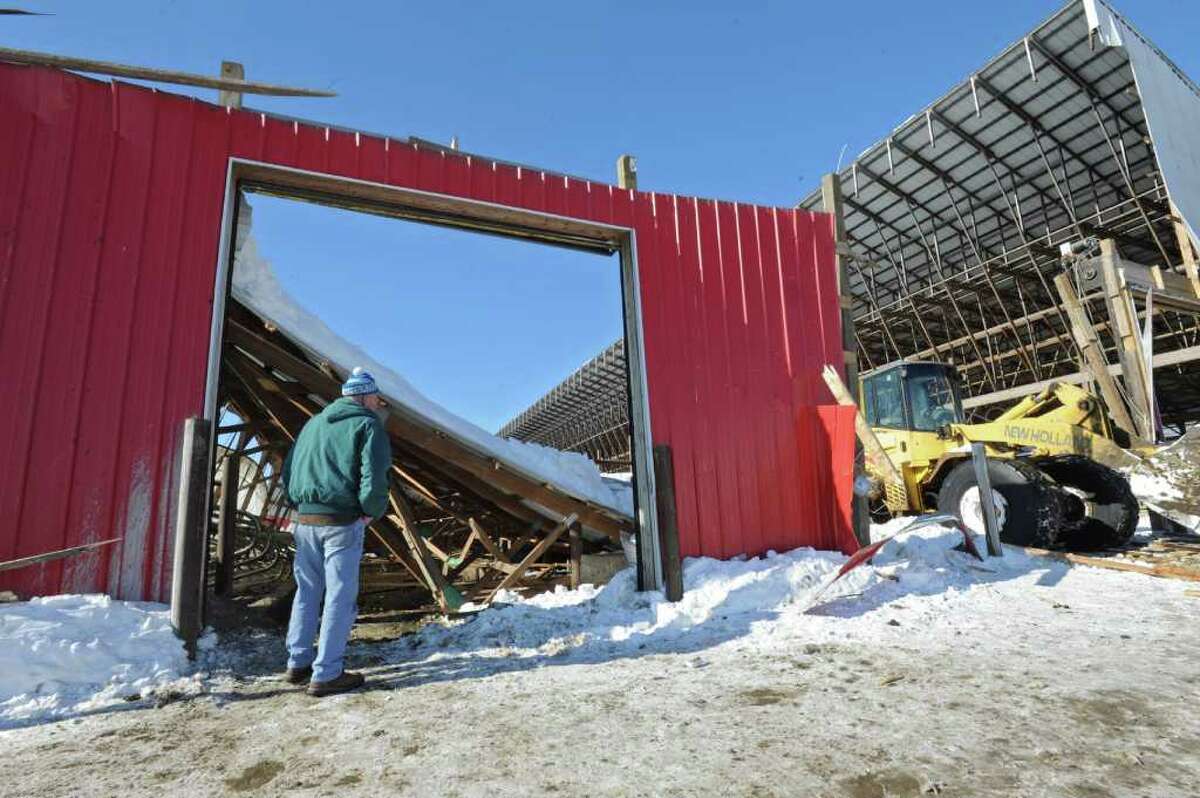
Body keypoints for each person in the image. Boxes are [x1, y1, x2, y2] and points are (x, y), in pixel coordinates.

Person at [280, 366, 392, 696]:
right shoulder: (367, 425)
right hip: (341, 522)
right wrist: (370, 512)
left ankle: (297, 662)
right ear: (366, 397)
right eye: (375, 398)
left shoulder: (312, 424)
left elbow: (289, 471)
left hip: (305, 521)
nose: (377, 404)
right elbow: (375, 474)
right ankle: (327, 673)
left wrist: (300, 505)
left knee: (307, 591)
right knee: (340, 596)